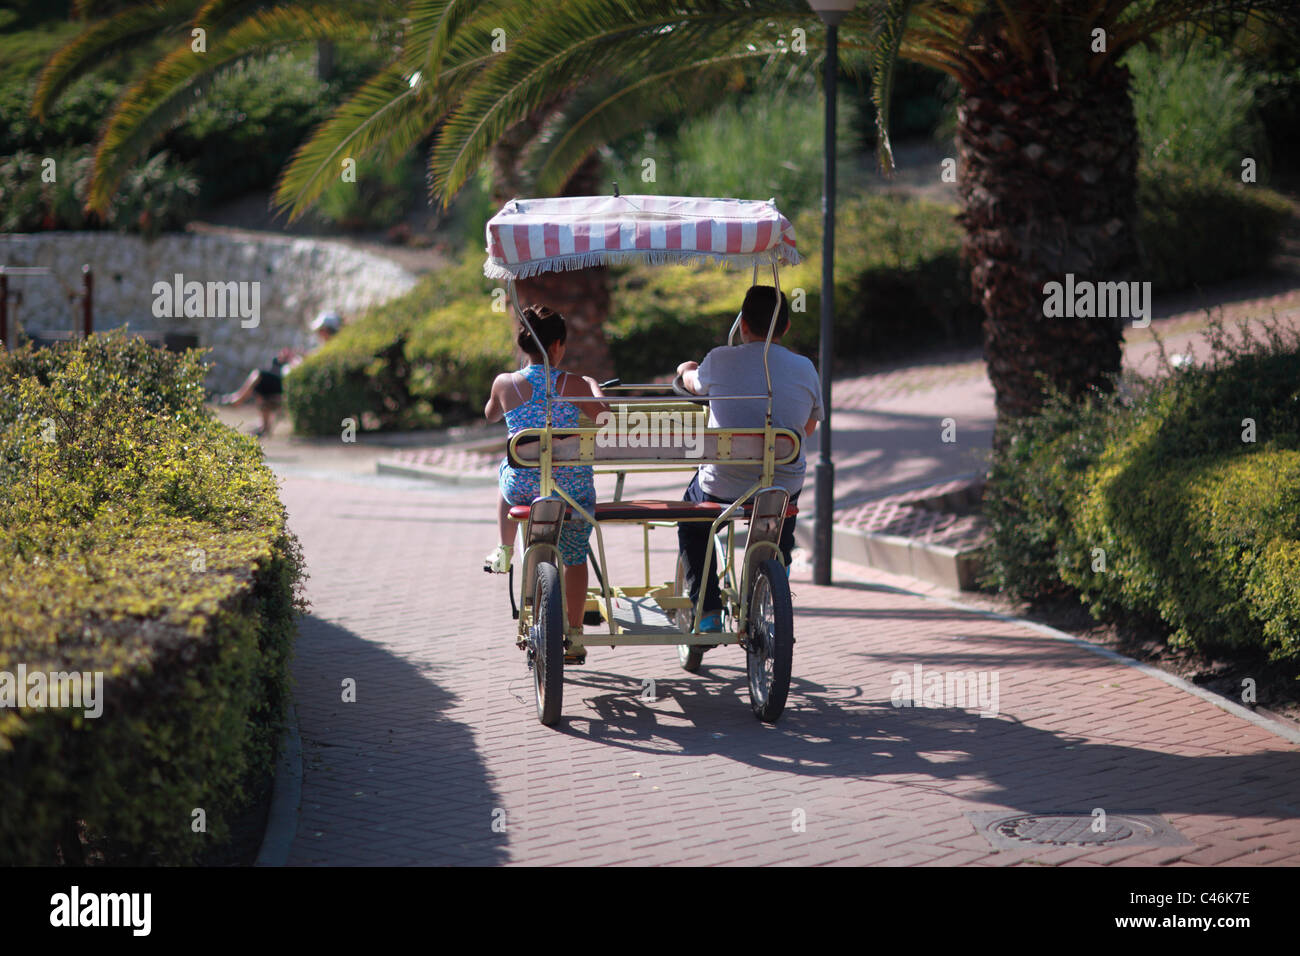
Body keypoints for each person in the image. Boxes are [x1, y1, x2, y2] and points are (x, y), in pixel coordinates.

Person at [674, 285, 822, 636]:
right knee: (784, 503)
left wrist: (685, 369)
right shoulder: (805, 368)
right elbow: (808, 429)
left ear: (742, 325)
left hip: (723, 485)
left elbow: (692, 384)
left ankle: (707, 610)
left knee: (692, 523)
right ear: (785, 328)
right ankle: (777, 567)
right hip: (780, 486)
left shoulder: (719, 359)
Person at [483, 305, 607, 664]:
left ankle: (505, 548)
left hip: (524, 491)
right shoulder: (576, 384)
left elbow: (490, 413)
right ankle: (575, 634)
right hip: (572, 496)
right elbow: (605, 415)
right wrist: (594, 387)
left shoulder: (505, 384)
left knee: (506, 475)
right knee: (575, 557)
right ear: (556, 346)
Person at [221, 309, 341, 437]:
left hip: (295, 384)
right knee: (265, 379)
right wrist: (294, 357)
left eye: (321, 330)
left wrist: (296, 359)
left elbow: (312, 366)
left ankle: (238, 400)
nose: (318, 333)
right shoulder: (327, 346)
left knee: (259, 376)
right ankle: (263, 424)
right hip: (293, 380)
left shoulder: (330, 348)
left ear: (327, 330)